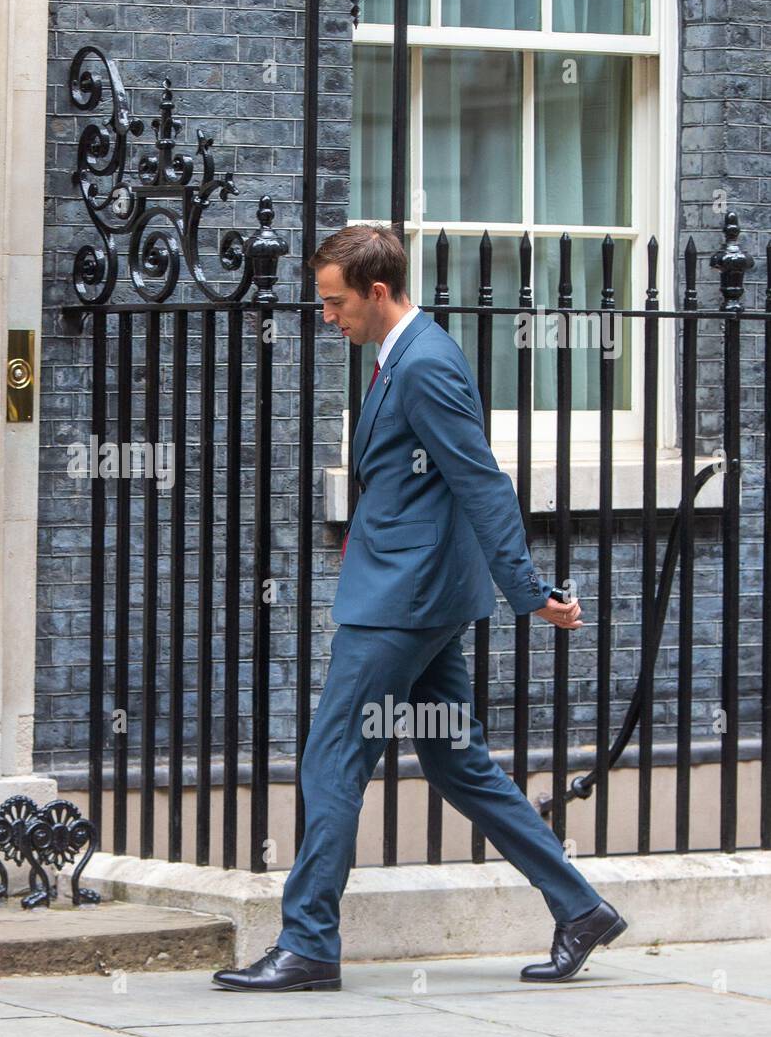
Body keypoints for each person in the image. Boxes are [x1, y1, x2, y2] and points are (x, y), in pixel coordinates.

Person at [212, 225, 626, 992]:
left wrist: (530, 593)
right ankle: (579, 906)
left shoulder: (424, 364)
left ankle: (307, 944)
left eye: (336, 302)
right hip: (422, 597)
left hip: (400, 605)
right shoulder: (404, 353)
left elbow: (482, 481)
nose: (327, 315)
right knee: (454, 758)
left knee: (332, 756)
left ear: (377, 291)